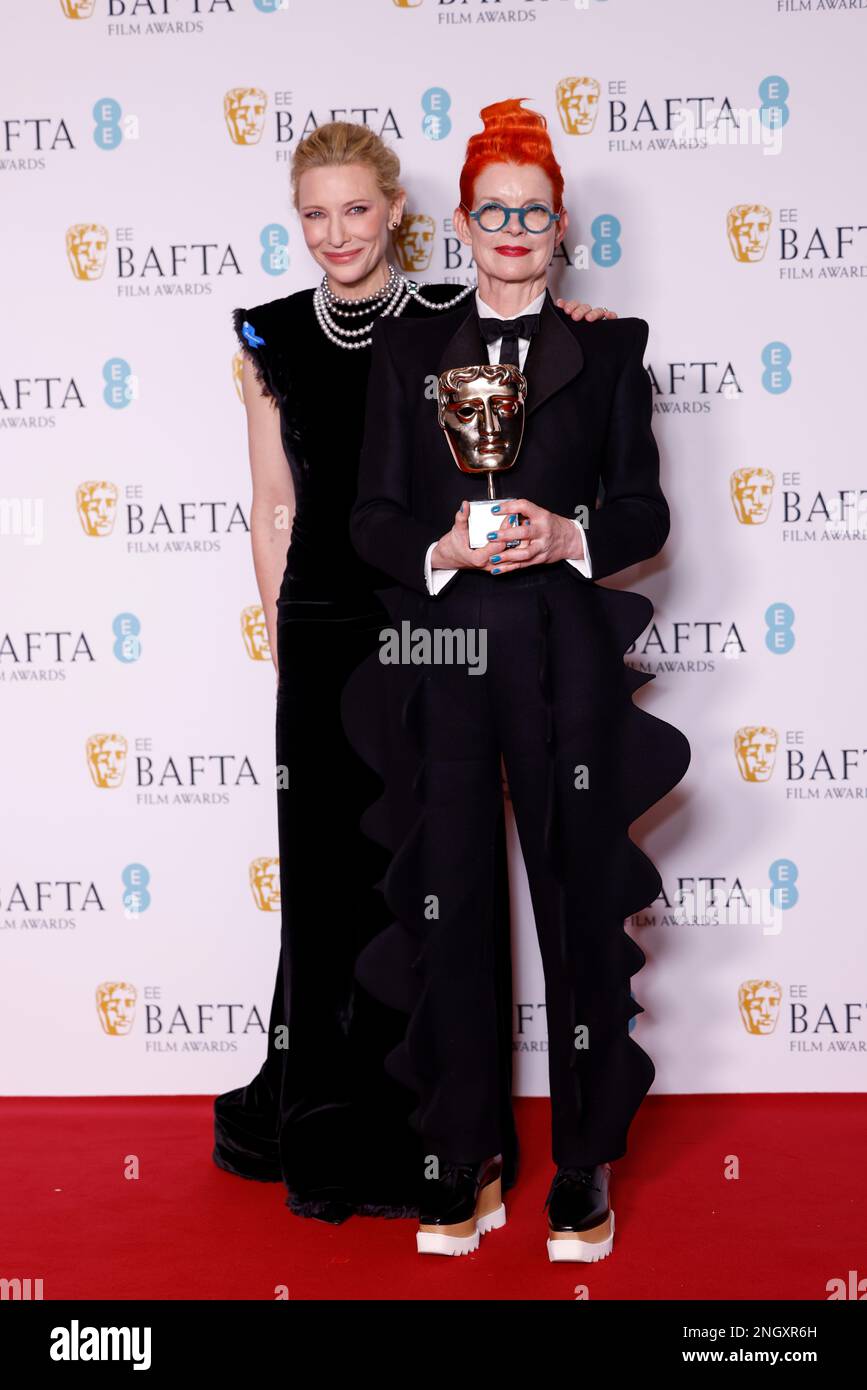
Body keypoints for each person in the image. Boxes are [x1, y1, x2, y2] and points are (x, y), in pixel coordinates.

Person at [211, 118, 618, 1225]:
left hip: (429, 618)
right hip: (323, 622)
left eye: (356, 208)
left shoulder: (447, 316)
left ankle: (439, 1133)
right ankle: (330, 1131)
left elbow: (532, 332)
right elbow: (273, 502)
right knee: (327, 880)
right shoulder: (267, 334)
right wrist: (284, 642)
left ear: (396, 211)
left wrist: (581, 326)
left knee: (433, 870)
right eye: (314, 214)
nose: (336, 233)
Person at [346, 98, 692, 1259]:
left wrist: (570, 533)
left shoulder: (611, 349)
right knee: (447, 898)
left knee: (578, 897)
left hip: (564, 653)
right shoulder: (407, 353)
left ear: (560, 230)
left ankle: (584, 1157)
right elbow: (371, 517)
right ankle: (464, 1152)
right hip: (442, 656)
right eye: (491, 211)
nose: (510, 229)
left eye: (532, 214)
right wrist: (441, 547)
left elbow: (644, 510)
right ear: (459, 224)